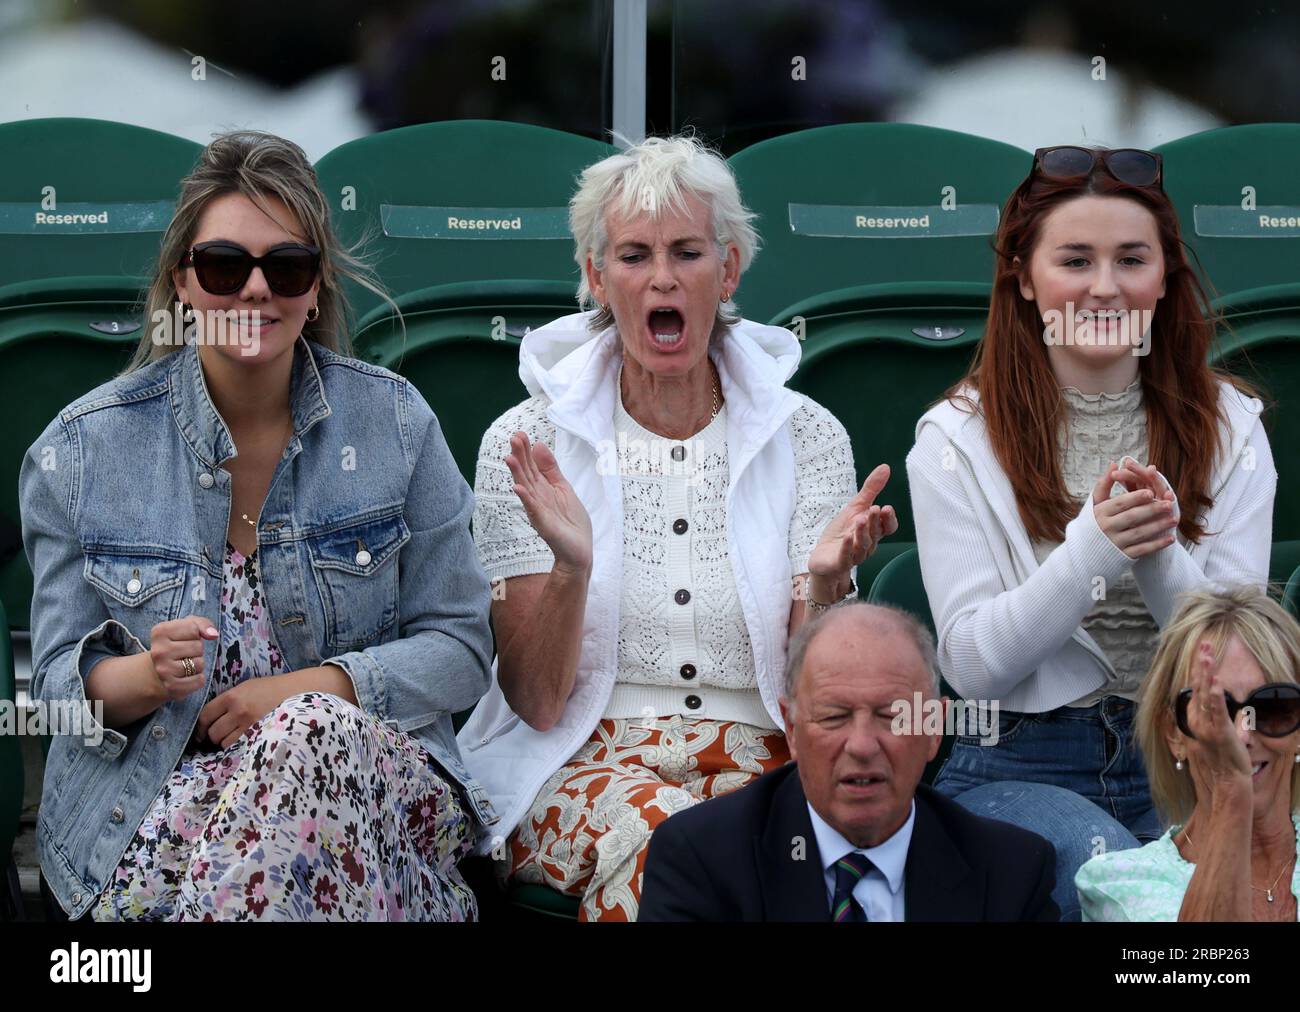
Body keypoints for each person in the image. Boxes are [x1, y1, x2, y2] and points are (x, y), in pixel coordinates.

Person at [20, 130, 495, 921]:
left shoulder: (395, 424)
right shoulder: (83, 450)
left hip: (374, 801)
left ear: (316, 289)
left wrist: (312, 693)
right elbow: (60, 693)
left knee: (308, 737)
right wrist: (142, 678)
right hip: (155, 814)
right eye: (222, 267)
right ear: (183, 284)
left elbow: (463, 648)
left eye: (287, 268)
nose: (254, 292)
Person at [459, 134, 898, 921]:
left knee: (794, 865)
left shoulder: (809, 436)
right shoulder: (526, 443)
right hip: (583, 759)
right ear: (596, 277)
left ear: (727, 271)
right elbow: (536, 702)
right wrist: (570, 570)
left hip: (767, 756)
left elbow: (815, 690)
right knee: (675, 852)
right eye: (633, 256)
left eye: (688, 252)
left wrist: (828, 586)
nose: (662, 276)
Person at [905, 145, 1276, 918]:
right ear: (1024, 274)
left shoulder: (1234, 426)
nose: (1104, 287)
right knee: (1122, 888)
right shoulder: (955, 436)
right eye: (1075, 259)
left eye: (1131, 259)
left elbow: (1238, 671)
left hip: (1188, 757)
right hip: (1015, 765)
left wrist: (1156, 554)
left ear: (1165, 277)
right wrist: (1094, 551)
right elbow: (974, 666)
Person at [638, 602, 1059, 921]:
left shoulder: (1010, 872)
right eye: (834, 717)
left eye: (892, 716)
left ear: (934, 727)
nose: (861, 745)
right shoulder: (700, 859)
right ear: (792, 728)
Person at [1077, 585, 1300, 920]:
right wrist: (1230, 784)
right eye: (1214, 710)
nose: (1240, 735)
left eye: (1273, 706)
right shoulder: (1118, 884)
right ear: (1173, 734)